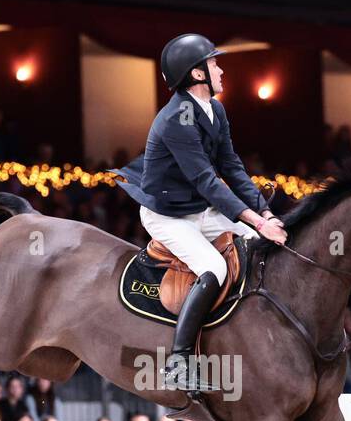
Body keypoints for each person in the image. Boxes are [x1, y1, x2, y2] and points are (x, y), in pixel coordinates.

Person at [116, 33, 287, 394]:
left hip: (198, 208)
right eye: (214, 64)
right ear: (196, 75)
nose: (221, 70)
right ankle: (180, 362)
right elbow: (207, 181)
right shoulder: (175, 119)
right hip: (167, 216)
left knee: (259, 244)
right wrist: (254, 219)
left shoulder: (216, 109)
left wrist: (265, 214)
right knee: (215, 267)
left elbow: (231, 165)